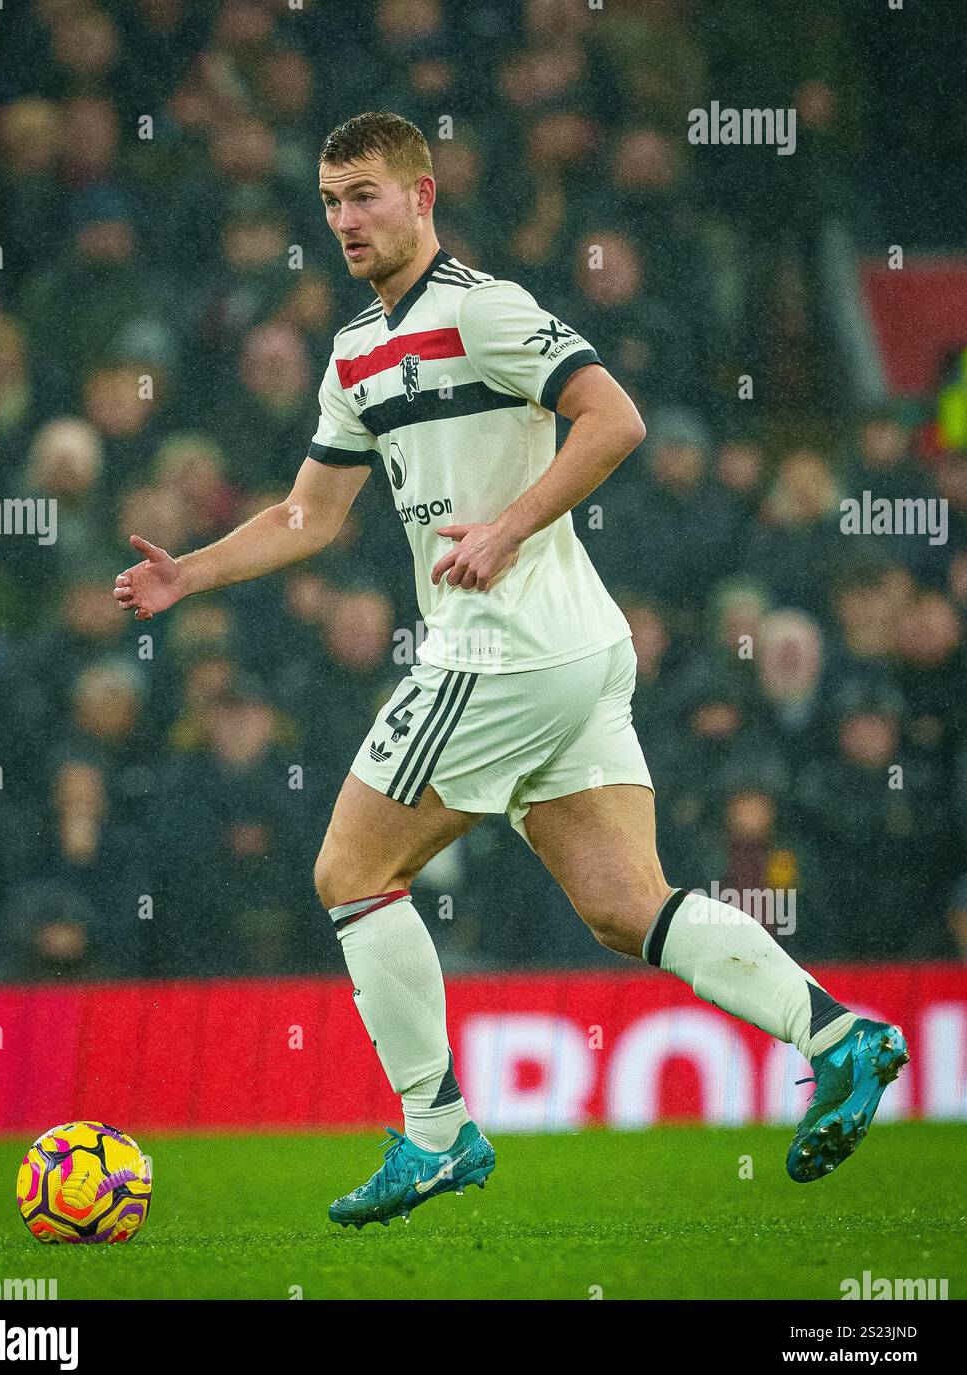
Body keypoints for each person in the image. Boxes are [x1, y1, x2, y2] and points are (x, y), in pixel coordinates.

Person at [113, 111, 907, 1228]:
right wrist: (188, 575)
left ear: (422, 196)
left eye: (366, 196)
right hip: (572, 652)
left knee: (348, 871)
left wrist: (506, 527)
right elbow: (309, 511)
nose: (345, 219)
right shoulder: (352, 352)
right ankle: (837, 1033)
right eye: (331, 201)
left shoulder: (482, 309)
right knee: (626, 905)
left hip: (505, 647)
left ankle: (435, 1134)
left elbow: (612, 418)